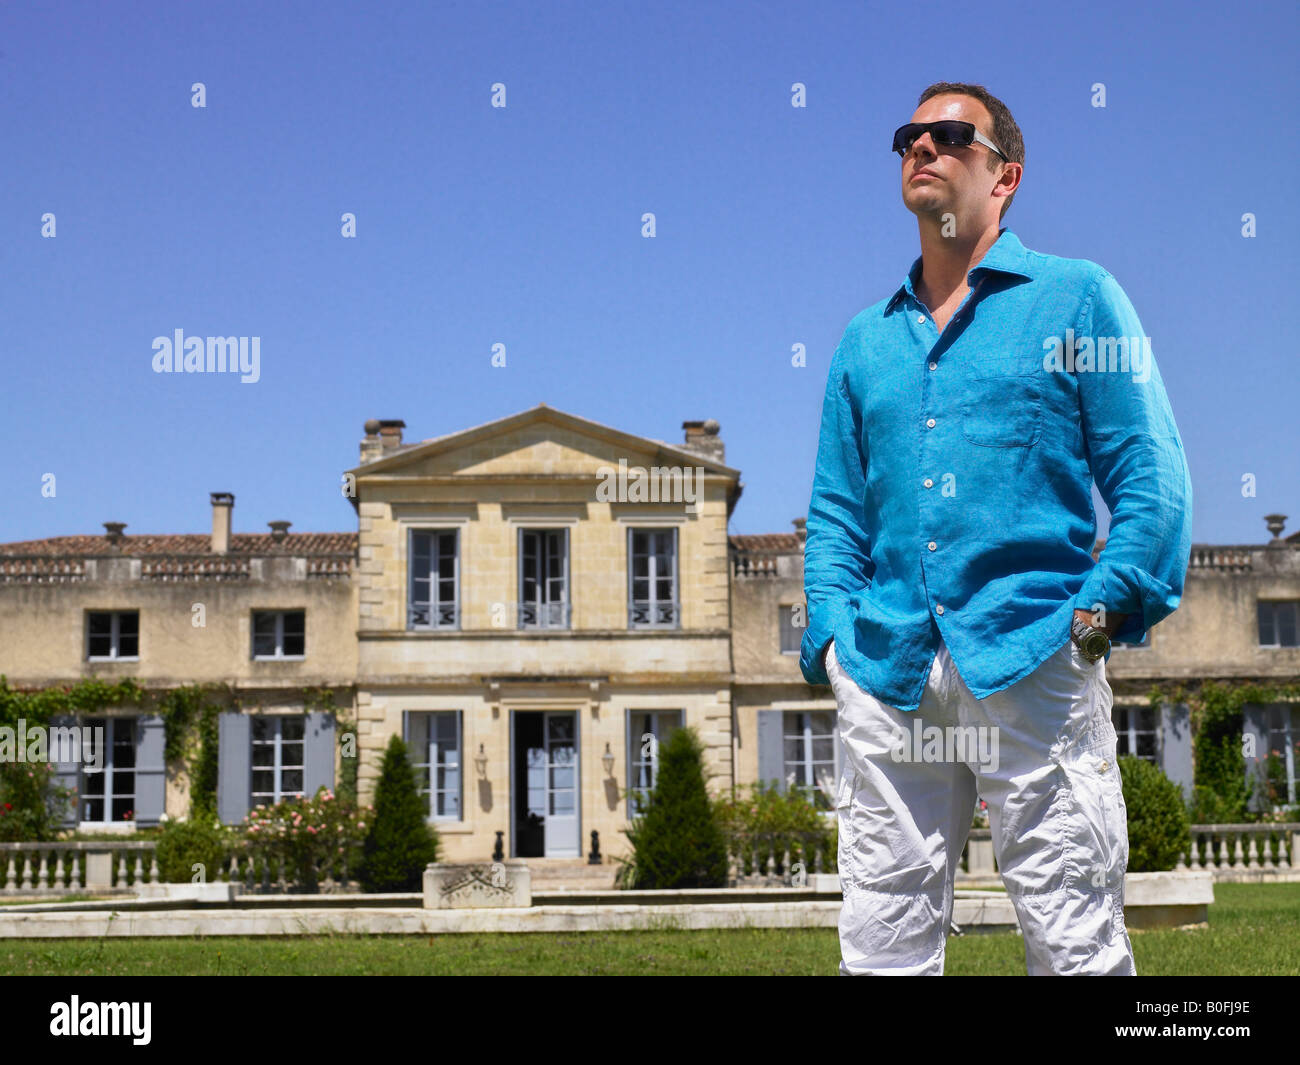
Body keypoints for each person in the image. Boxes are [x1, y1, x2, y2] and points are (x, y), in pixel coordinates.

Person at [800, 81, 1192, 975]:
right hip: (887, 671)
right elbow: (833, 512)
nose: (922, 147)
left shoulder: (1076, 299)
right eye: (909, 134)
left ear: (1005, 174)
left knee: (1074, 938)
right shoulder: (864, 342)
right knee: (879, 946)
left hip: (1035, 654)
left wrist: (1101, 610)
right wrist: (829, 637)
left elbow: (1149, 470)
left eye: (949, 135)